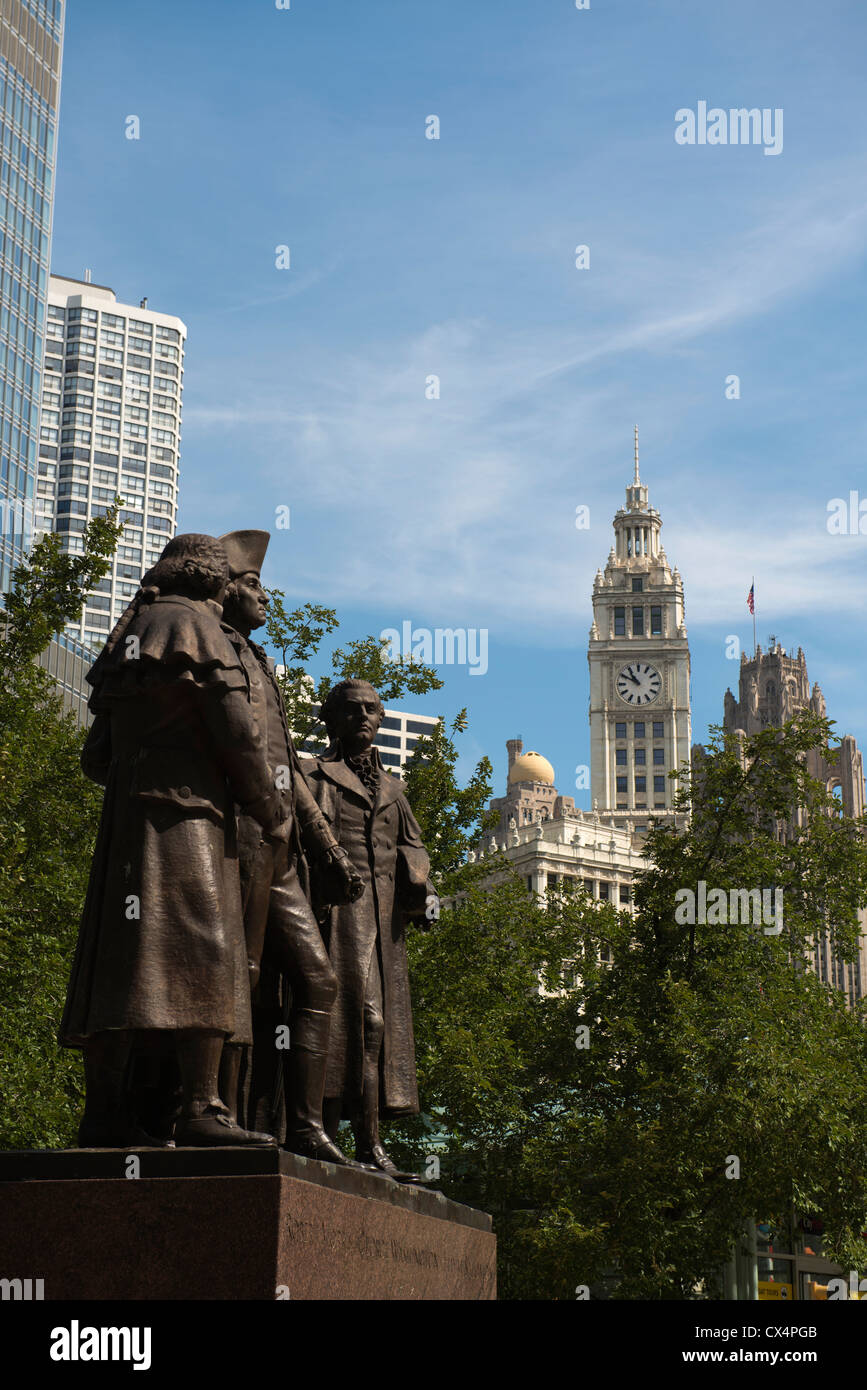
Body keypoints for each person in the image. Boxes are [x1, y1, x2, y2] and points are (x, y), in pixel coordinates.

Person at [60, 533, 284, 1148]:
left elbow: (96, 755)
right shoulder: (195, 629)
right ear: (212, 578)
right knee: (207, 948)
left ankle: (104, 1113)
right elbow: (238, 734)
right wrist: (269, 807)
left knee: (122, 957)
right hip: (186, 816)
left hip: (127, 819)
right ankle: (201, 1109)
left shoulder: (135, 631)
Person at [217, 530, 366, 1166]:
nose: (264, 595)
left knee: (317, 979)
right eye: (252, 585)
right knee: (237, 982)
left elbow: (286, 770)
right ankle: (213, 1112)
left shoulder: (261, 664)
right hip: (231, 842)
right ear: (224, 591)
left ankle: (305, 1129)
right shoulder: (213, 655)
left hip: (280, 852)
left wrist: (327, 848)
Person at [302, 680, 434, 1181]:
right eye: (352, 709)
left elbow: (413, 846)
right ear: (331, 719)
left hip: (384, 926)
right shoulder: (315, 775)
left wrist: (423, 888)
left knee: (373, 1029)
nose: (363, 716)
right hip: (334, 917)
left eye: (371, 709)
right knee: (345, 1024)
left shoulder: (394, 788)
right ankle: (329, 1134)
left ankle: (370, 1145)